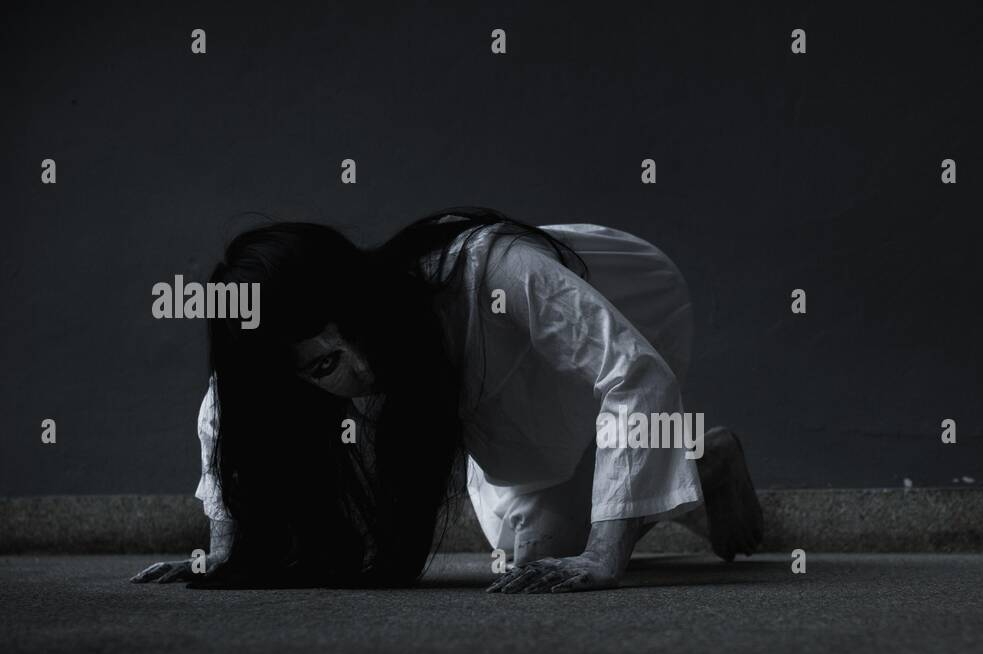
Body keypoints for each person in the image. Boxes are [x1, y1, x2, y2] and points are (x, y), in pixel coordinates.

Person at [132, 207, 762, 593]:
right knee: (533, 555)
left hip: (633, 308)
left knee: (584, 555)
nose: (364, 367)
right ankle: (701, 463)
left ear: (368, 290)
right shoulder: (283, 372)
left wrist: (605, 557)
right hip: (509, 402)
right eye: (326, 366)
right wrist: (223, 552)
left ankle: (692, 452)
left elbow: (632, 369)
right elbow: (227, 411)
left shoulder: (497, 269)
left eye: (359, 328)